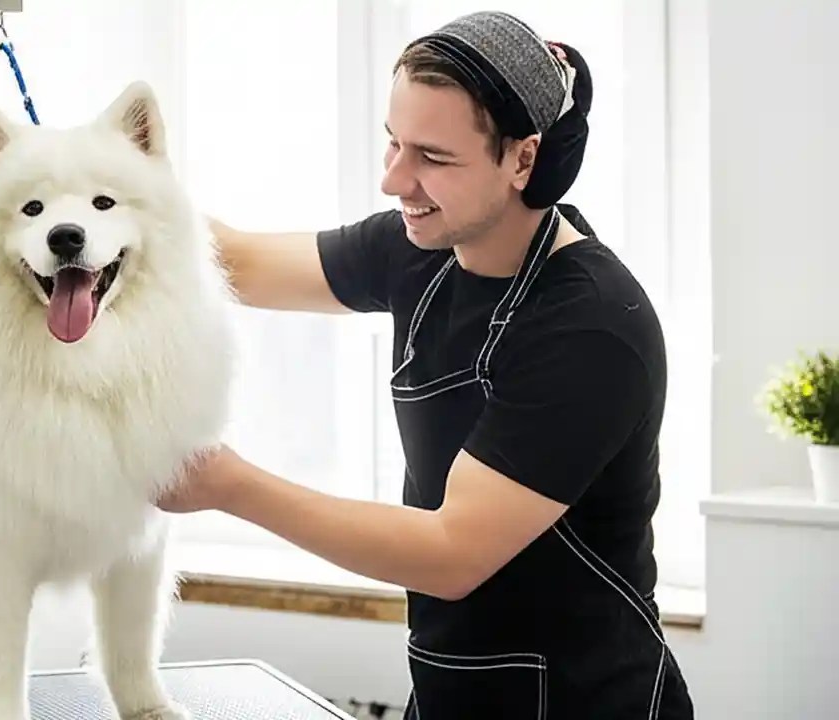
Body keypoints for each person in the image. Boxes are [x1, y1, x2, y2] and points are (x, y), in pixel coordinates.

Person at [154, 10, 695, 720]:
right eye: (392, 144)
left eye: (433, 158)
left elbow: (450, 555)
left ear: (523, 159)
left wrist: (229, 484)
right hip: (453, 692)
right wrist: (110, 189)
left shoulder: (591, 327)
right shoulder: (419, 245)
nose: (393, 180)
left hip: (585, 700)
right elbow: (236, 264)